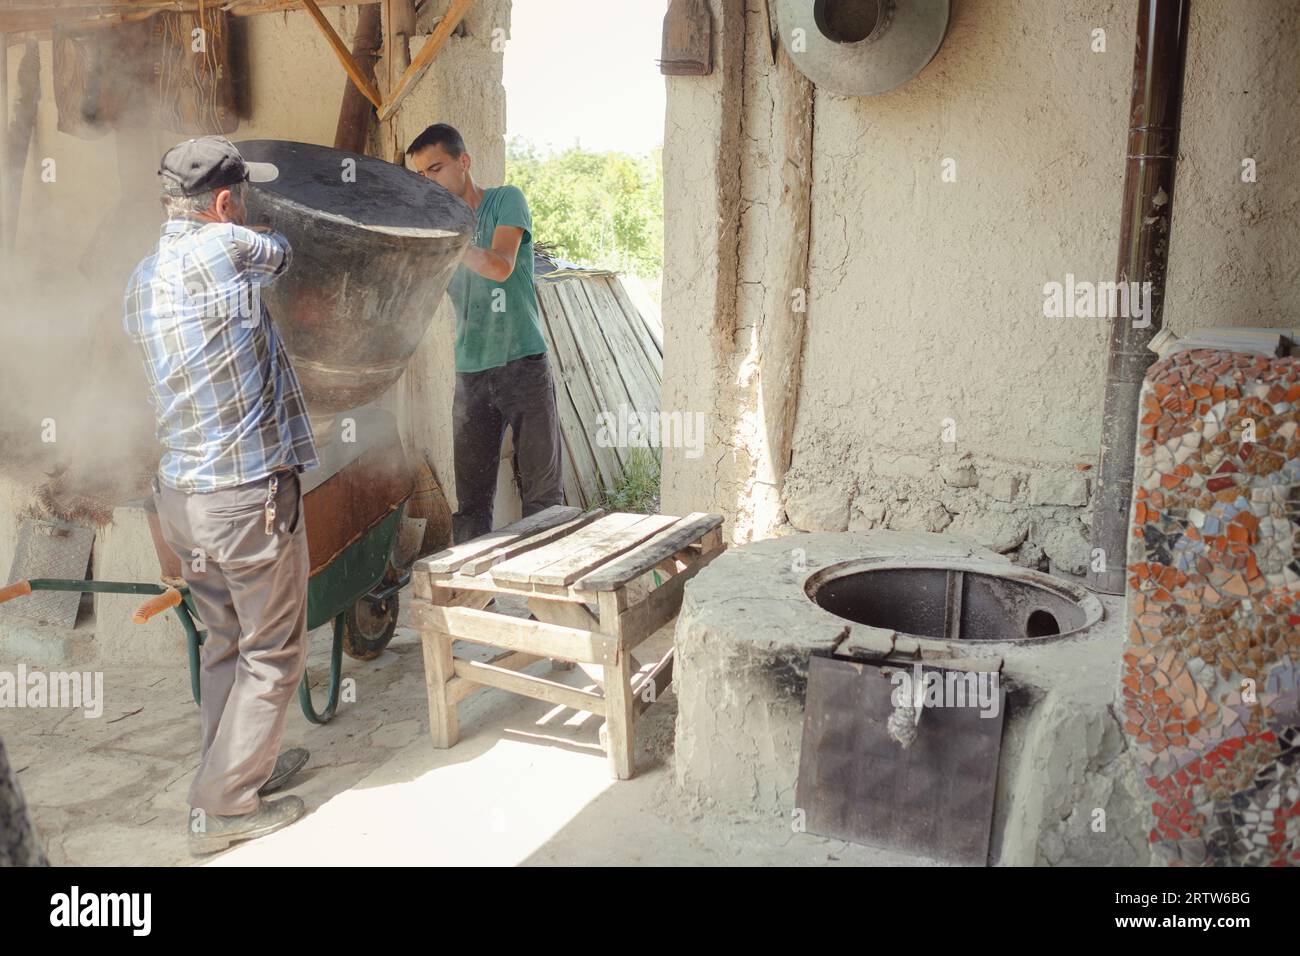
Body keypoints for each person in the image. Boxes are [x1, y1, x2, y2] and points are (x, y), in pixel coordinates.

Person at [123, 136, 316, 855]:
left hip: (183, 500)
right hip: (245, 497)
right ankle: (225, 804)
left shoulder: (141, 278)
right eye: (243, 201)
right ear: (227, 203)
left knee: (225, 645)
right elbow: (286, 252)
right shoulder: (231, 248)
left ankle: (232, 769)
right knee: (272, 652)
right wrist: (249, 231)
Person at [407, 123, 564, 544]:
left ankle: (546, 604)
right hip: (471, 372)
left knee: (543, 497)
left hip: (523, 364)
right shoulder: (436, 225)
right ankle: (471, 599)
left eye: (436, 169)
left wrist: (448, 239)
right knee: (472, 503)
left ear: (464, 162)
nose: (429, 182)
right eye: (421, 175)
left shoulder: (504, 200)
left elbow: (499, 267)